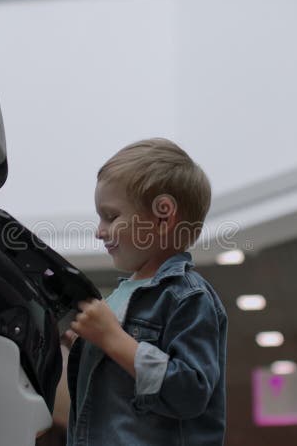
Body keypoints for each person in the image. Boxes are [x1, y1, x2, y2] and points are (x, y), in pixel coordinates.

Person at [65, 138, 228, 445]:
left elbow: (190, 392)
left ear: (163, 216)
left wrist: (112, 338)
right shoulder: (121, 296)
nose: (99, 231)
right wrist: (82, 340)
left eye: (111, 216)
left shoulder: (188, 297)